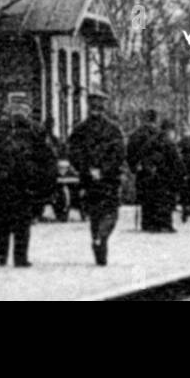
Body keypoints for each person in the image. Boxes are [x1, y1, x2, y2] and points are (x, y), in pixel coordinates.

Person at [0, 99, 56, 266]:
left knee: (1, 218)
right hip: (25, 180)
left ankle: (1, 254)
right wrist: (42, 179)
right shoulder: (36, 128)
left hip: (2, 179)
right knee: (23, 220)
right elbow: (46, 156)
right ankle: (20, 256)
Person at [67, 89, 126, 265]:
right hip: (108, 179)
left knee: (95, 214)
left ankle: (10, 256)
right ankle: (15, 256)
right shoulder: (113, 129)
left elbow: (71, 152)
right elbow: (119, 154)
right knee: (108, 211)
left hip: (6, 179)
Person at [139, 119, 185, 232]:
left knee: (152, 200)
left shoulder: (150, 141)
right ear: (170, 130)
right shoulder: (169, 143)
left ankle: (149, 223)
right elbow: (176, 160)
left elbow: (141, 155)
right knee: (166, 201)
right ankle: (165, 224)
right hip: (166, 176)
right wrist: (182, 173)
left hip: (150, 176)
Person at [126, 109, 160, 230]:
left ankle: (146, 222)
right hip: (157, 169)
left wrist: (133, 167)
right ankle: (155, 221)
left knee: (144, 195)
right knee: (156, 195)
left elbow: (130, 151)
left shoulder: (136, 134)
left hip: (142, 169)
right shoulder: (159, 133)